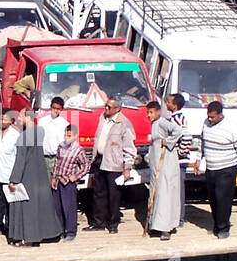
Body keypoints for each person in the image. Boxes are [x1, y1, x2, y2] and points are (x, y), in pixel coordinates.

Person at [193, 100, 237, 238]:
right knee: (213, 198)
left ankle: (223, 227)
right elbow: (202, 142)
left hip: (227, 168)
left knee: (223, 198)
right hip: (211, 168)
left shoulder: (232, 127)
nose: (210, 119)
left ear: (220, 115)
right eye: (209, 116)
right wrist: (198, 159)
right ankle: (217, 223)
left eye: (213, 117)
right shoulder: (206, 124)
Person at [7, 111, 62, 246]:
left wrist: (14, 179)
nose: (19, 119)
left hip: (27, 175)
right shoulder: (40, 132)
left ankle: (30, 238)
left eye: (21, 116)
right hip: (39, 173)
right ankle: (46, 234)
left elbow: (20, 160)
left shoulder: (23, 137)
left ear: (29, 118)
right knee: (41, 206)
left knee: (28, 208)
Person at [88, 96, 135, 233]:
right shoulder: (102, 119)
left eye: (109, 107)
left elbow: (129, 148)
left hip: (114, 163)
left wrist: (127, 168)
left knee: (113, 196)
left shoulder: (124, 123)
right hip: (99, 160)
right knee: (98, 193)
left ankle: (113, 224)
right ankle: (99, 222)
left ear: (117, 109)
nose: (105, 109)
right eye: (106, 105)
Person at [145, 100, 184, 239]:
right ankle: (156, 224)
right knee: (155, 193)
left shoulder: (162, 121)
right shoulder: (154, 124)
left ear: (158, 112)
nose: (149, 115)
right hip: (156, 164)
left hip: (166, 163)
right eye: (147, 113)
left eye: (151, 112)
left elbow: (178, 130)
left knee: (164, 194)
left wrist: (168, 142)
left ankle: (165, 228)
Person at [51, 124, 89, 241]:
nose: (67, 137)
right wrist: (54, 177)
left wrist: (76, 176)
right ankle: (60, 230)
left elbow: (86, 165)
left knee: (69, 207)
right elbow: (57, 162)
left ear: (75, 136)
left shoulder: (78, 150)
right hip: (58, 180)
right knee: (58, 207)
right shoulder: (61, 146)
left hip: (69, 181)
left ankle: (71, 231)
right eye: (66, 135)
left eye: (70, 135)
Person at [165, 92, 192, 227]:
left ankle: (179, 218)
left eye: (168, 102)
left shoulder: (178, 120)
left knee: (178, 190)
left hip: (178, 161)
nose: (166, 104)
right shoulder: (173, 118)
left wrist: (179, 153)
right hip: (175, 160)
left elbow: (187, 138)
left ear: (174, 106)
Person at [36, 96, 68, 178]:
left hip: (56, 159)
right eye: (54, 108)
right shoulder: (42, 122)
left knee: (56, 184)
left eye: (58, 109)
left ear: (62, 109)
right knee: (44, 184)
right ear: (50, 107)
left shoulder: (64, 124)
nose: (56, 110)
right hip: (44, 158)